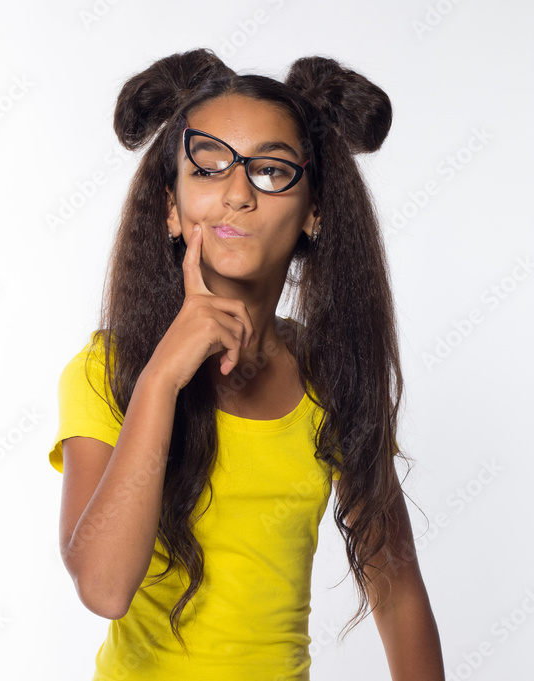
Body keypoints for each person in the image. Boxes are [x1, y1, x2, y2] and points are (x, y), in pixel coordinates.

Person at [48, 48, 444, 680]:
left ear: (314, 211)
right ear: (171, 209)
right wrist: (162, 379)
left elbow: (397, 591)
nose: (236, 193)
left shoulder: (328, 377)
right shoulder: (109, 371)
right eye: (207, 167)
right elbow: (103, 588)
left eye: (270, 171)